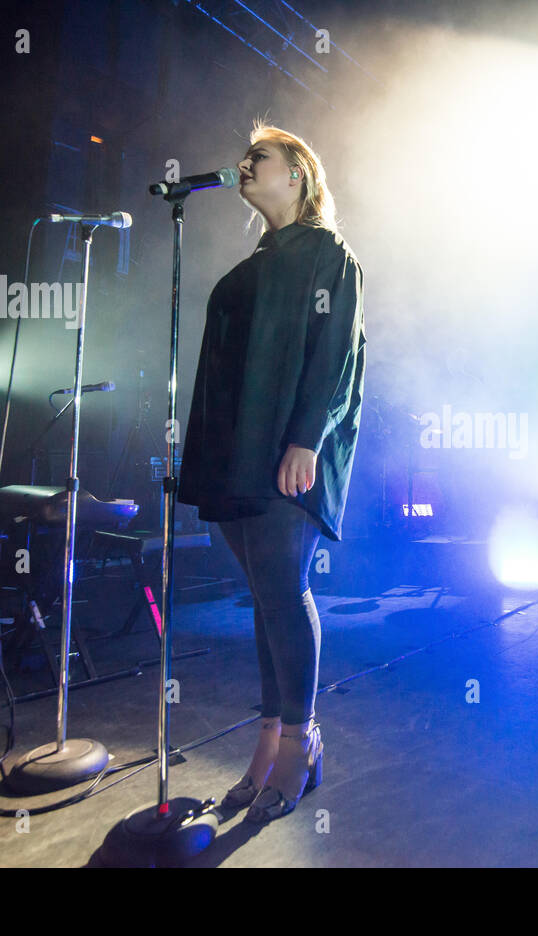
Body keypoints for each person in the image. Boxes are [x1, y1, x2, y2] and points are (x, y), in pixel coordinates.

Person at [177, 120, 366, 825]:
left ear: (299, 175)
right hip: (240, 454)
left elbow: (334, 354)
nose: (244, 164)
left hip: (291, 450)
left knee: (285, 589)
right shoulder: (254, 265)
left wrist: (305, 439)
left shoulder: (328, 254)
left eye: (262, 156)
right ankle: (267, 739)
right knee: (264, 595)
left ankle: (301, 740)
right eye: (244, 157)